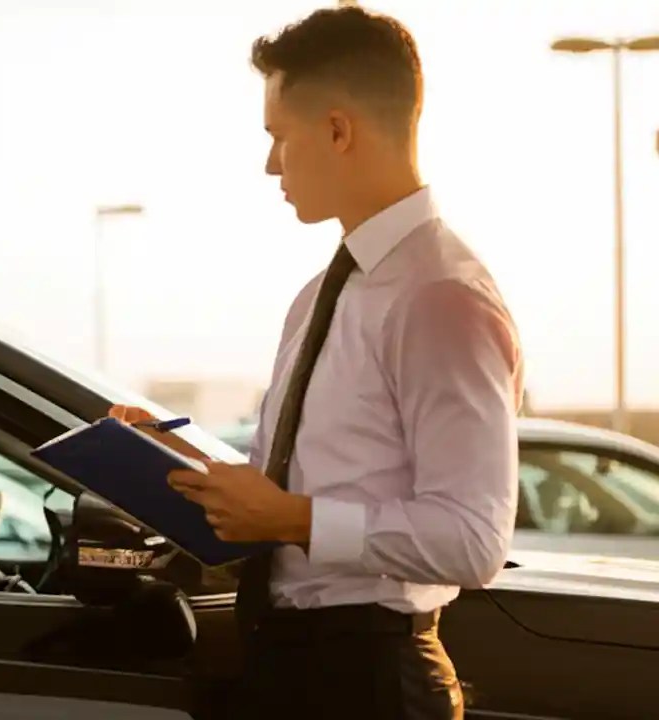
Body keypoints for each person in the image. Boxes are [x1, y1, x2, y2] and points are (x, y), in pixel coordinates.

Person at [110, 7, 524, 719]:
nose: (271, 163)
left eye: (278, 137)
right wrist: (175, 455)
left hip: (371, 678)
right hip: (290, 660)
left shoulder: (442, 297)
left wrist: (296, 519)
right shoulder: (325, 294)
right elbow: (299, 477)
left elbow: (473, 539)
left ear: (338, 130)